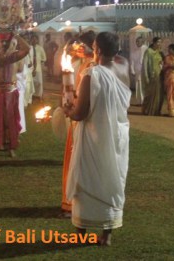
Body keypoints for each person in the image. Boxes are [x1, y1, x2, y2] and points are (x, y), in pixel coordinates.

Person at [64, 32, 131, 246]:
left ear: (98, 50)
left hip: (95, 136)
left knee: (86, 178)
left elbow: (81, 112)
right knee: (113, 177)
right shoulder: (122, 70)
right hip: (117, 135)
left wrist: (67, 110)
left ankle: (81, 233)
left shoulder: (92, 74)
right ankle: (107, 234)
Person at [60, 32, 97, 216]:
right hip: (81, 119)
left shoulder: (92, 68)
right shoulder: (84, 64)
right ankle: (74, 201)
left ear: (94, 48)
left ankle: (77, 202)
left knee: (79, 161)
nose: (78, 48)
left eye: (82, 45)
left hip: (85, 121)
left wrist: (72, 106)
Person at [0, 32, 30, 158]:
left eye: (6, 42)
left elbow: (27, 49)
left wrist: (17, 35)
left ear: (10, 43)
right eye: (1, 41)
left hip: (10, 94)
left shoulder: (14, 57)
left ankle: (10, 148)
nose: (3, 44)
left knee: (10, 122)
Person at [140, 37, 163, 116]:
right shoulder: (148, 52)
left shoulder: (158, 52)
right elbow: (145, 64)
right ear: (153, 43)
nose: (159, 44)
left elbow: (160, 62)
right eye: (158, 42)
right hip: (151, 76)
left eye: (160, 42)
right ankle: (147, 110)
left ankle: (156, 110)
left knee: (157, 94)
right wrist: (146, 76)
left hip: (158, 75)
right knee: (149, 94)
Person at [129, 36, 148, 106]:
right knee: (138, 85)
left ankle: (145, 101)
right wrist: (132, 70)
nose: (137, 43)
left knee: (145, 86)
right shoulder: (134, 50)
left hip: (145, 69)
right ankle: (140, 101)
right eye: (136, 41)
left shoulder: (146, 49)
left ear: (143, 42)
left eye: (138, 41)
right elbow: (132, 62)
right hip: (137, 70)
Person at [30, 34, 46, 101]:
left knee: (39, 83)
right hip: (30, 68)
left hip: (38, 68)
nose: (34, 40)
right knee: (31, 82)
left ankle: (38, 96)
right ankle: (32, 96)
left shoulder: (40, 48)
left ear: (37, 40)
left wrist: (38, 63)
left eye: (35, 39)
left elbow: (44, 58)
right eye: (32, 39)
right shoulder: (29, 48)